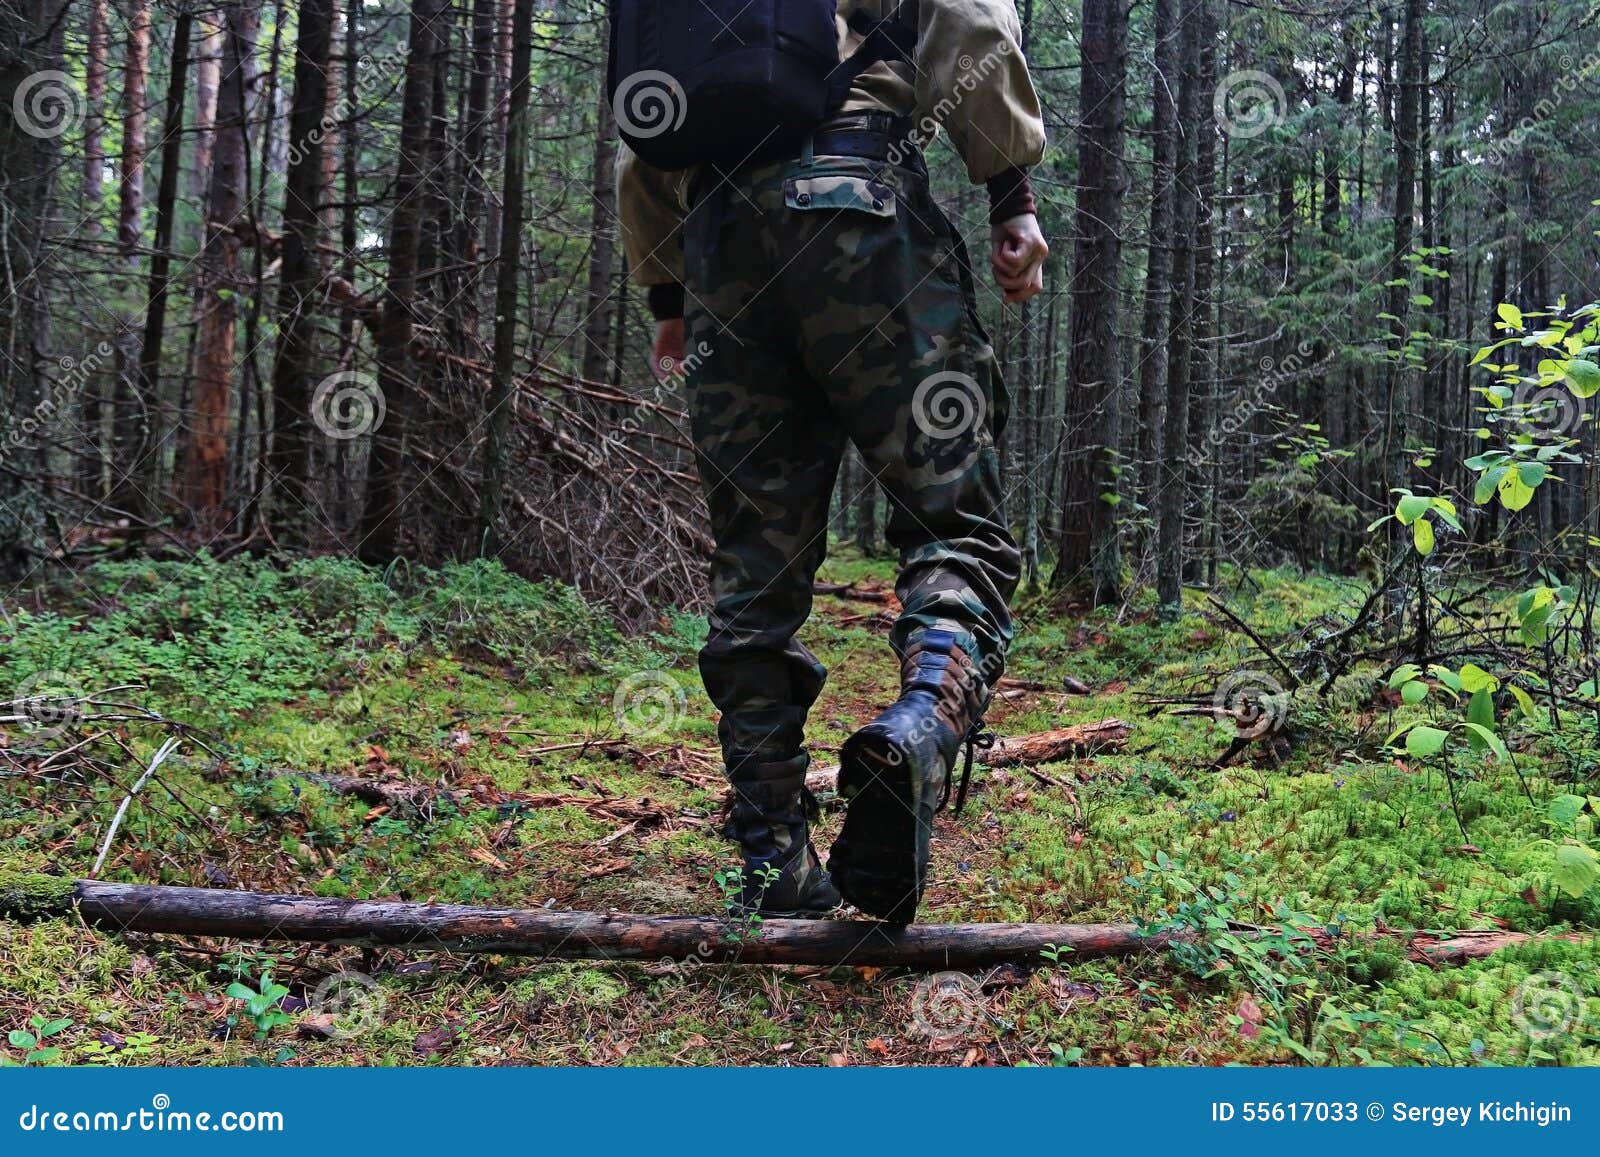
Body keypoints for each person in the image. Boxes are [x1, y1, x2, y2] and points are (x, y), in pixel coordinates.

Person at [616, 0, 1048, 924]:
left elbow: (649, 112)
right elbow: (972, 23)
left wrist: (667, 292)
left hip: (721, 239)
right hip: (862, 206)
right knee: (954, 523)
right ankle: (922, 725)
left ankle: (770, 852)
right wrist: (1010, 194)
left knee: (752, 575)